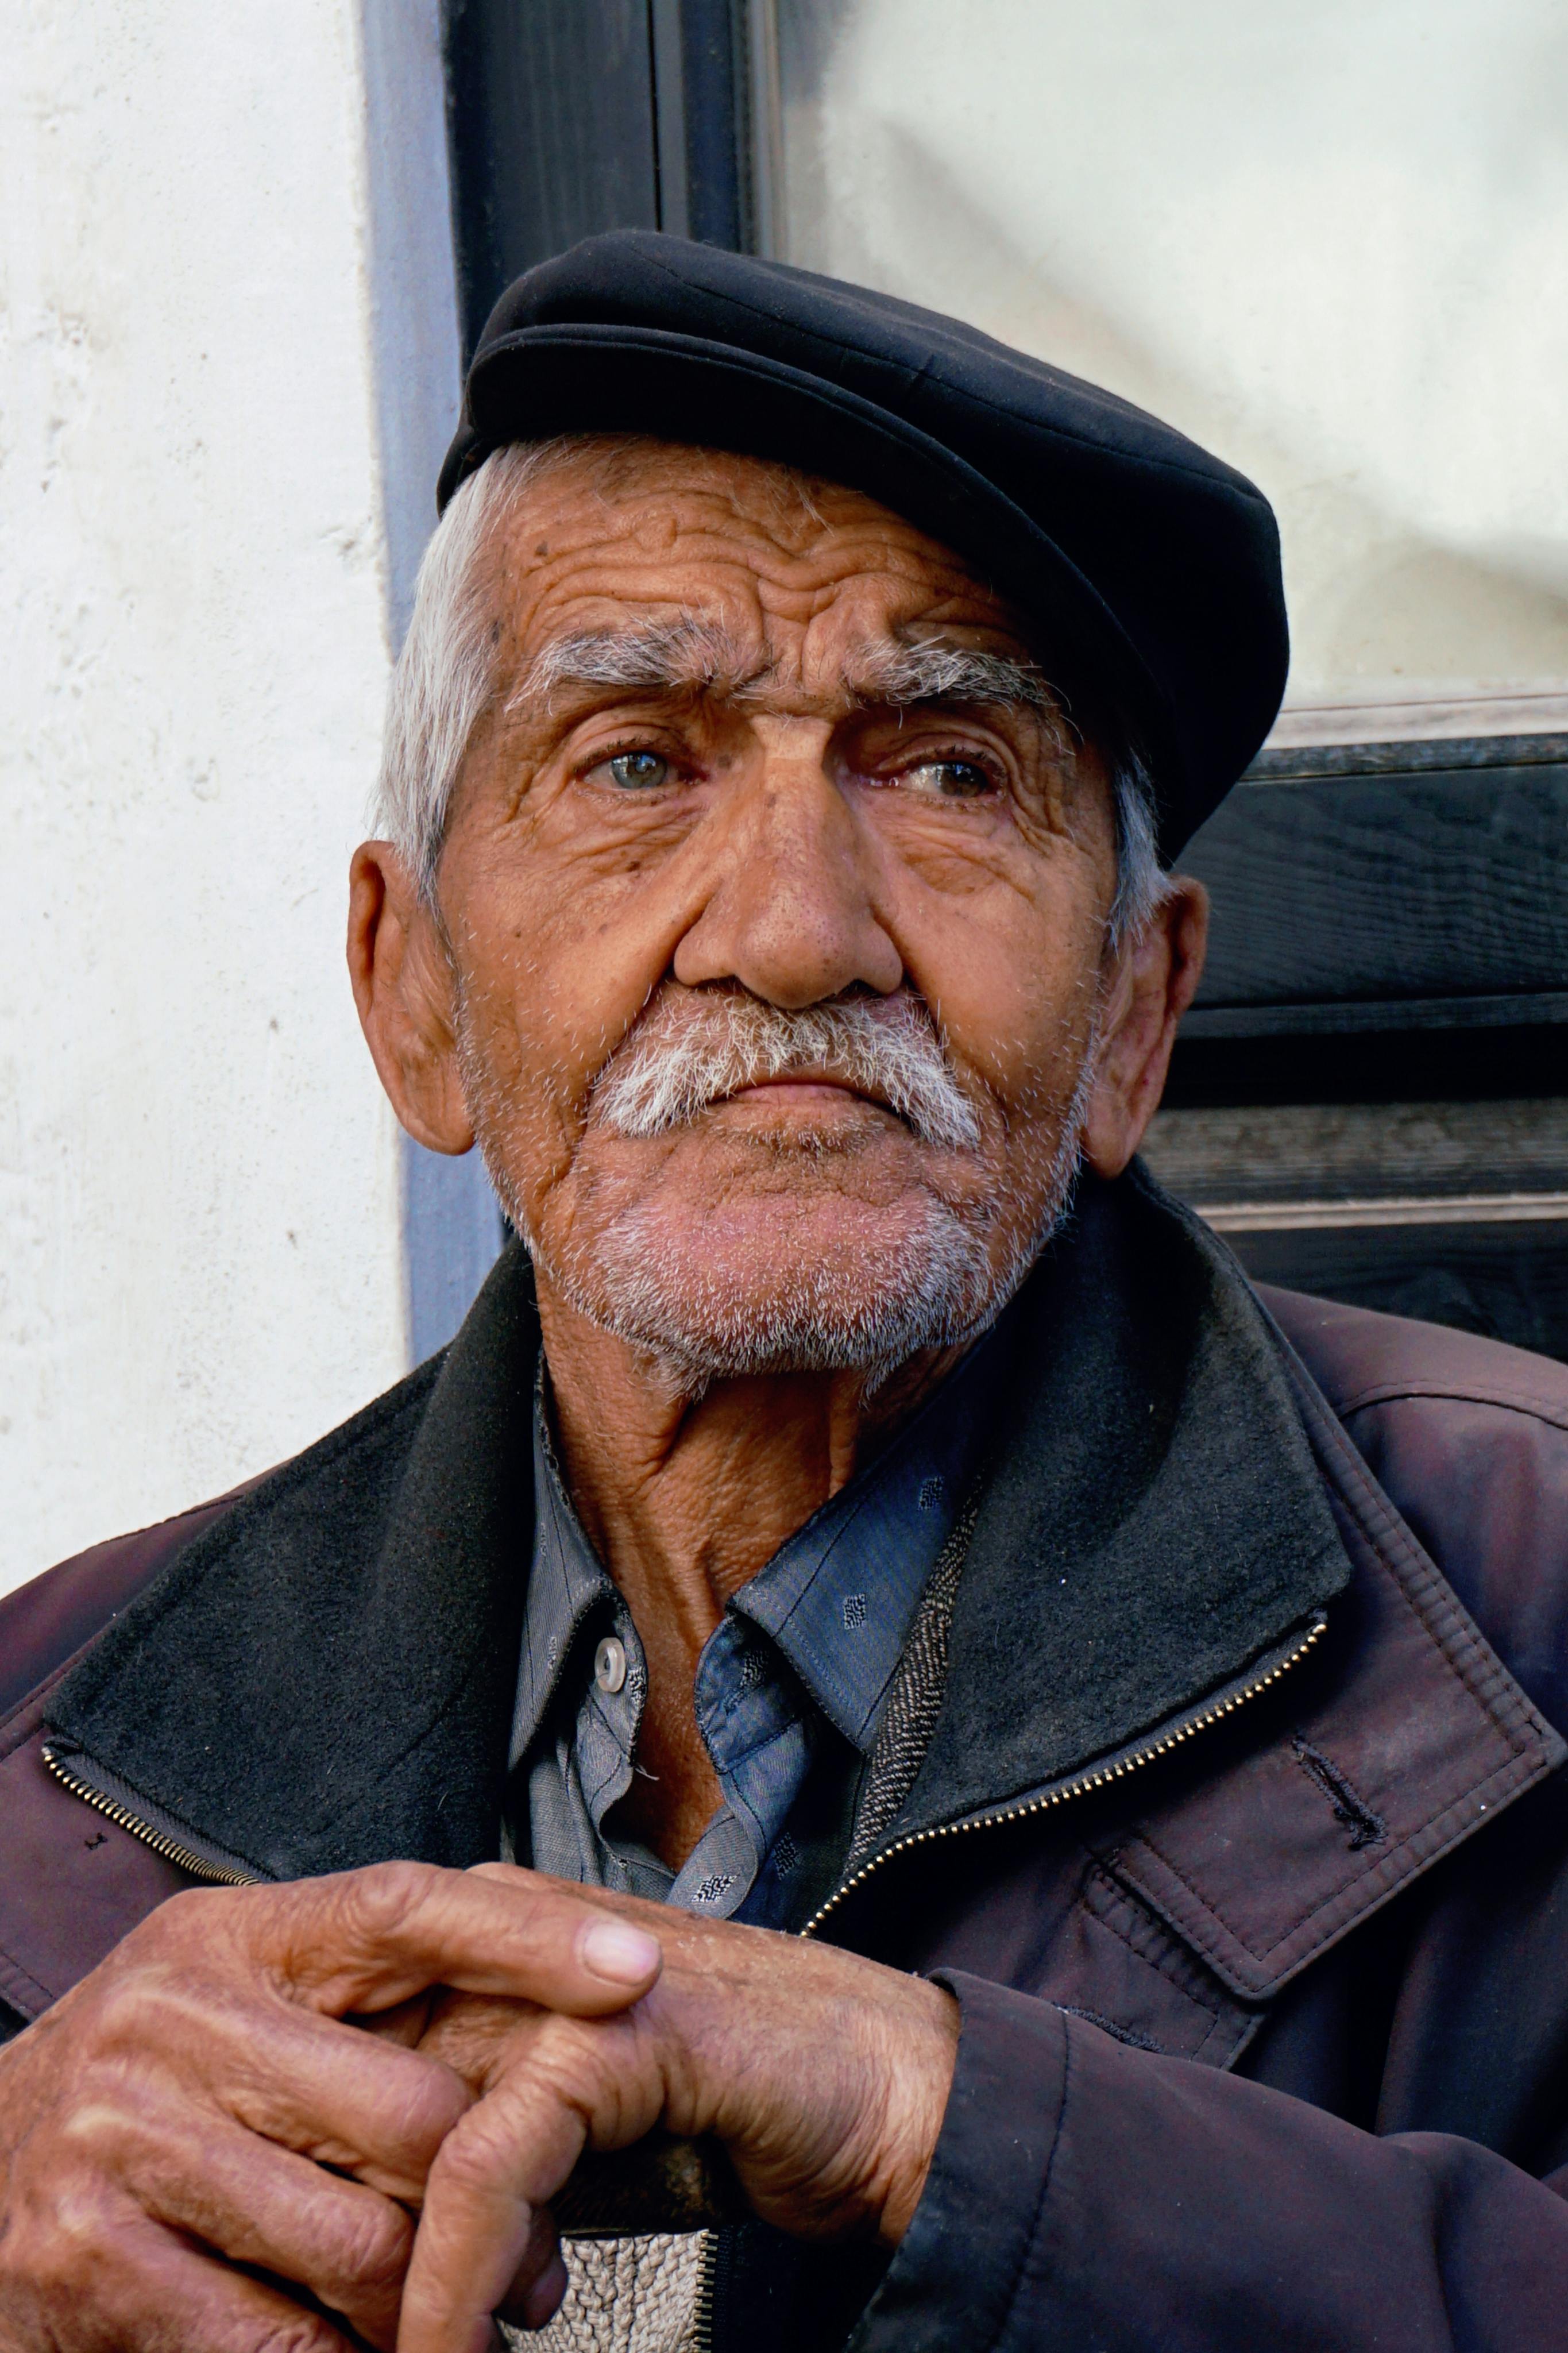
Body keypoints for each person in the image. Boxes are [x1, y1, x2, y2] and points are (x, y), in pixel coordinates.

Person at [2, 232, 1567, 2353]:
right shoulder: (48, 1759)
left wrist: (934, 2116)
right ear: (414, 993)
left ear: (1134, 1014)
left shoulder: (1526, 1618)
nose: (795, 932)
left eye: (948, 770)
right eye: (636, 763)